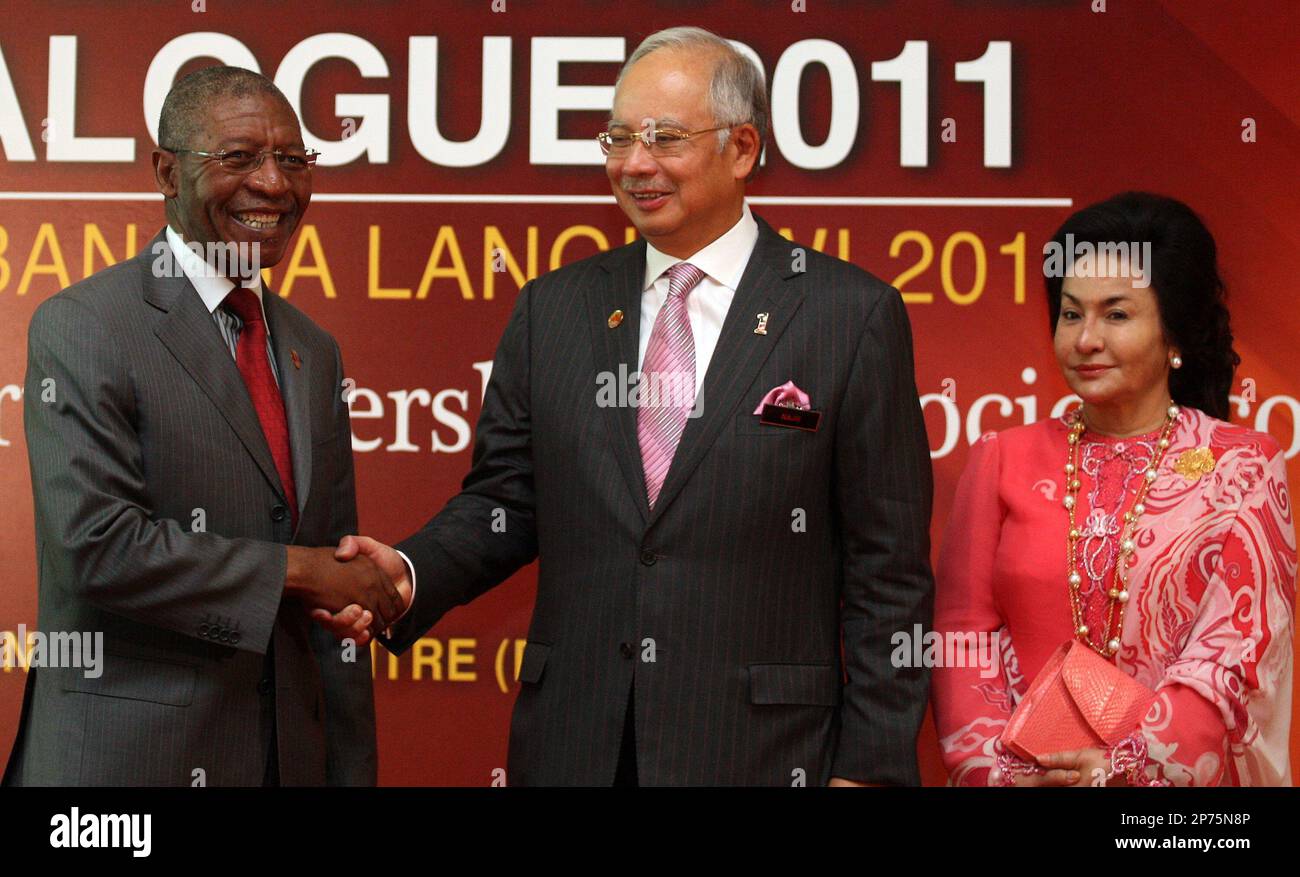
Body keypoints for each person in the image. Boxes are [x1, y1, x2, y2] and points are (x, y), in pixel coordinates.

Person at [320, 26, 934, 786]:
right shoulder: (555, 310)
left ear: (742, 148)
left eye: (664, 138)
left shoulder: (849, 315)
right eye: (617, 138)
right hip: (576, 742)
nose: (633, 164)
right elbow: (505, 502)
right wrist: (409, 574)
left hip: (767, 753)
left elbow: (889, 573)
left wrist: (870, 769)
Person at [5, 66, 406, 786]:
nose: (275, 184)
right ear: (165, 170)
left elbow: (334, 593)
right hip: (128, 773)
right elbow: (95, 548)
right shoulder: (86, 324)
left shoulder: (312, 350)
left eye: (292, 159)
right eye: (239, 157)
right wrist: (295, 569)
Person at [931, 192, 1296, 786]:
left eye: (1116, 315)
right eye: (1071, 314)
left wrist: (1119, 767)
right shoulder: (1004, 459)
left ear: (1173, 334)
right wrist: (1001, 772)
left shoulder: (1244, 468)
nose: (1085, 339)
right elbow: (960, 639)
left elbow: (1233, 661)